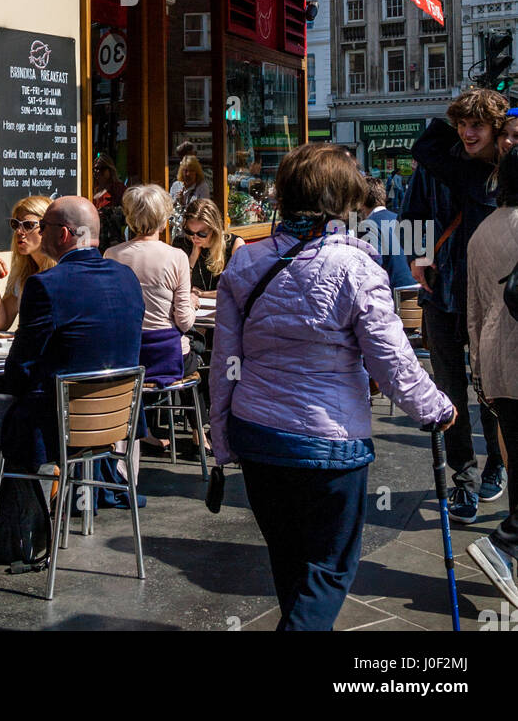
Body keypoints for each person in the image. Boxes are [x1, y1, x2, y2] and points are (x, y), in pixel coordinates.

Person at [210, 142, 455, 632]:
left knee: (290, 561)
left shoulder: (244, 263)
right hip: (329, 443)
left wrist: (222, 440)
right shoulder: (357, 268)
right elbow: (391, 362)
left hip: (258, 435)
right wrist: (436, 409)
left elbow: (226, 363)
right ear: (345, 201)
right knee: (328, 568)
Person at [0, 196, 144, 569]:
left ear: (61, 234)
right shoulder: (125, 278)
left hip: (51, 427)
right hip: (110, 424)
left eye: (41, 226)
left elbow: (18, 374)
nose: (35, 233)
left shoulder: (48, 285)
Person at [410, 88, 508, 521]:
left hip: (492, 296)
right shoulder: (436, 162)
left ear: (495, 129)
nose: (469, 134)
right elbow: (410, 212)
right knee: (449, 387)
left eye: (478, 126)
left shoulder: (507, 168)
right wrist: (416, 256)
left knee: (492, 388)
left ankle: (497, 464)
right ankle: (463, 479)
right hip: (443, 290)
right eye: (463, 125)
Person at [466, 147, 518, 605]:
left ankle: (508, 553)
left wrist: (480, 374)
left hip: (497, 363)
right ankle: (504, 542)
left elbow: (475, 311)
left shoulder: (481, 233)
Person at [105, 185, 196, 418]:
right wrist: (193, 304)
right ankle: (199, 433)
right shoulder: (176, 257)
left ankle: (145, 428)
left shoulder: (112, 255)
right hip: (165, 355)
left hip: (126, 356)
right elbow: (184, 322)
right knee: (197, 352)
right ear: (163, 219)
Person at [0, 194, 54, 331]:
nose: (19, 232)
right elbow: (0, 323)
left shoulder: (63, 271)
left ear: (47, 228)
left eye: (28, 225)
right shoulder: (24, 274)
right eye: (16, 224)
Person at [174, 198, 243, 296]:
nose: (194, 238)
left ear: (214, 230)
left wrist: (203, 294)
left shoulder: (234, 245)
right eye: (190, 232)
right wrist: (192, 260)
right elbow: (177, 289)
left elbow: (240, 289)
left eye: (201, 234)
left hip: (223, 307)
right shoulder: (182, 243)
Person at [358, 177, 414, 289]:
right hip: (416, 289)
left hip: (392, 293)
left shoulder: (367, 226)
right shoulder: (400, 219)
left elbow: (372, 267)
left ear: (361, 201)